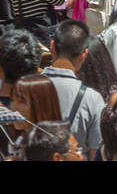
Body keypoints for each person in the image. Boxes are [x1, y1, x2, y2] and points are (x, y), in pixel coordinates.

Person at [44, 20, 107, 160]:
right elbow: (95, 152)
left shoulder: (28, 86)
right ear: (84, 54)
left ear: (52, 47)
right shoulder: (92, 98)